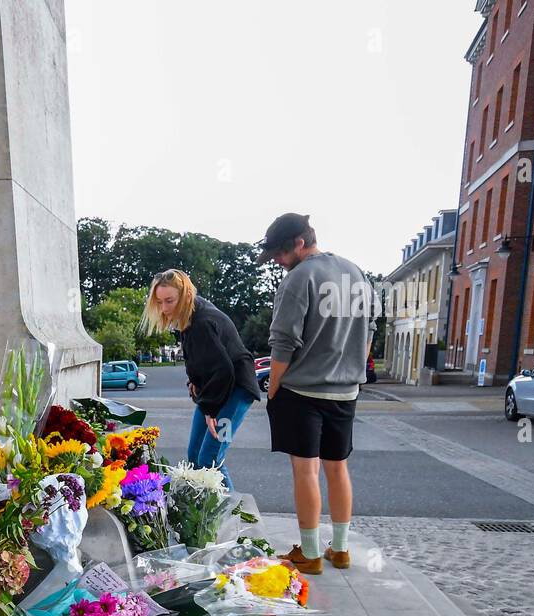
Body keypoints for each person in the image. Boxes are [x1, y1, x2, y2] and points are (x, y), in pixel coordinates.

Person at [258, 213, 375, 574]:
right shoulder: (357, 273)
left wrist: (273, 390)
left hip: (303, 390)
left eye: (279, 253)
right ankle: (339, 550)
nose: (277, 261)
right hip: (346, 390)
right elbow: (369, 330)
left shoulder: (299, 278)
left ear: (298, 243)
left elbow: (283, 342)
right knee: (337, 468)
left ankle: (309, 554)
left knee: (305, 471)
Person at [143, 269, 260, 491]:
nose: (165, 308)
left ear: (185, 295)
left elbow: (224, 370)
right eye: (160, 302)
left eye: (169, 301)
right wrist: (195, 382)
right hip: (215, 390)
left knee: (209, 460)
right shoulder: (189, 314)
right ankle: (206, 514)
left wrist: (210, 410)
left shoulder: (201, 323)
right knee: (194, 456)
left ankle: (231, 513)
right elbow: (200, 359)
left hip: (236, 391)